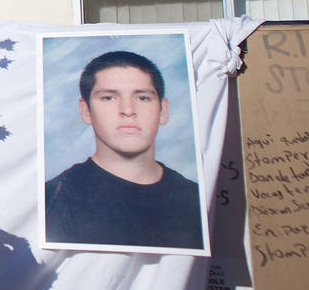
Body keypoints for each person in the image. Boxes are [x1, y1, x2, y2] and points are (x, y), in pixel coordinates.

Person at [44, 50, 204, 249]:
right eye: (109, 98)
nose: (128, 110)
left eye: (143, 98)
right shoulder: (52, 201)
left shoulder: (198, 200)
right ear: (86, 111)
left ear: (163, 110)